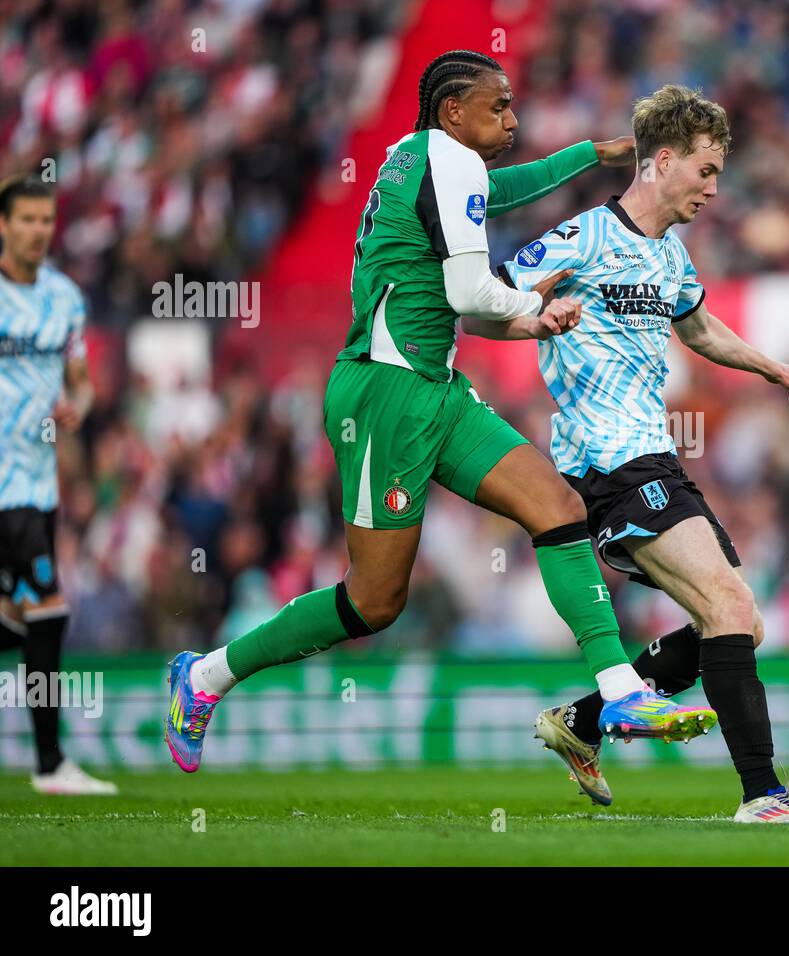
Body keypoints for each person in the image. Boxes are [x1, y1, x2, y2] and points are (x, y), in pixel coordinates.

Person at [164, 50, 716, 774]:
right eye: (500, 107)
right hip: (386, 394)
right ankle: (204, 677)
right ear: (454, 111)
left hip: (432, 386)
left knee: (556, 506)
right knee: (374, 601)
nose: (513, 119)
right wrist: (535, 309)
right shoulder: (447, 161)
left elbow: (493, 191)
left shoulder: (413, 153)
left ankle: (618, 692)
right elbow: (468, 292)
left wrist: (586, 155)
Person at [501, 85, 789, 824]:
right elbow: (488, 297)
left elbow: (702, 331)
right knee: (732, 605)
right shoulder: (580, 238)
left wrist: (773, 368)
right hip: (609, 464)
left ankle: (583, 723)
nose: (714, 189)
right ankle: (762, 795)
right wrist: (534, 313)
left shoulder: (672, 255)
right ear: (663, 161)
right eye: (706, 171)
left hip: (653, 458)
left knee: (741, 622)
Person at [0, 175, 115, 795]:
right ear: (3, 225)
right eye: (26, 220)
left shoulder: (65, 298)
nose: (39, 231)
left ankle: (49, 764)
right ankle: (49, 766)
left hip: (38, 484)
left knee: (18, 621)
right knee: (49, 607)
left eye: (46, 221)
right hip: (2, 485)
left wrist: (79, 402)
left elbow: (82, 379)